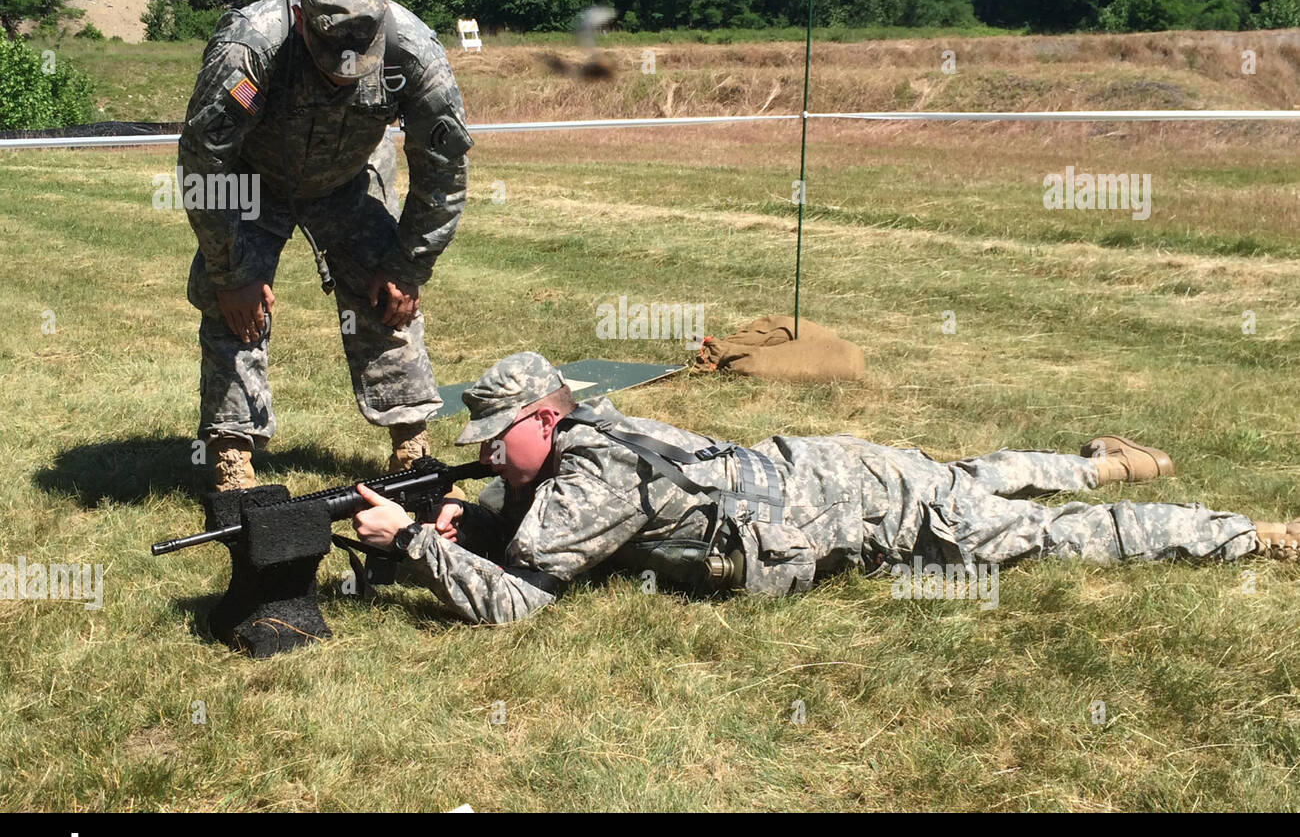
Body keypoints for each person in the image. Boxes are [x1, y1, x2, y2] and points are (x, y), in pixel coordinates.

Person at [350, 352, 1299, 625]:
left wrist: (414, 542)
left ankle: (1244, 534)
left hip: (857, 505)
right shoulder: (589, 436)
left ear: (546, 421)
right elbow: (529, 527)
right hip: (823, 466)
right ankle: (1095, 462)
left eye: (493, 437)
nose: (482, 452)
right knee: (967, 478)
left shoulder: (591, 469)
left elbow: (518, 599)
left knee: (1034, 538)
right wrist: (468, 514)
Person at [179, 0, 472, 489]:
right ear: (300, 16)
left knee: (388, 297)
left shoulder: (413, 51)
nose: (343, 70)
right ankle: (230, 453)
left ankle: (412, 444)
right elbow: (205, 160)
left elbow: (443, 166)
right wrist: (231, 272)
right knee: (234, 307)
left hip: (347, 179)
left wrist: (411, 264)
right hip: (252, 181)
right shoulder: (252, 47)